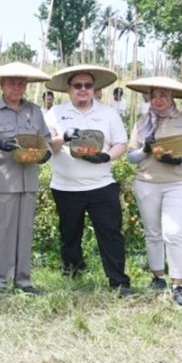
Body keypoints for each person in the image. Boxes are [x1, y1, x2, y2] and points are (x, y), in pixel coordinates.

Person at [44, 64, 132, 295]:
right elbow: (48, 146)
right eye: (77, 85)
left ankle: (118, 281)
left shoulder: (108, 113)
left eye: (88, 85)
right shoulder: (55, 113)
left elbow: (121, 143)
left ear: (94, 89)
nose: (83, 89)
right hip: (65, 186)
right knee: (69, 232)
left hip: (101, 184)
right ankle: (73, 271)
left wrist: (107, 156)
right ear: (69, 89)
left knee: (110, 232)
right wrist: (63, 137)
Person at [125, 77, 182, 308]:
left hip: (177, 183)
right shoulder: (141, 124)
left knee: (173, 233)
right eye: (154, 95)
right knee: (153, 233)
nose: (158, 100)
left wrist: (179, 160)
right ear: (148, 97)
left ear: (172, 98)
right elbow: (131, 157)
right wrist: (145, 149)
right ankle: (158, 277)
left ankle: (179, 285)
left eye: (164, 95)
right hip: (147, 183)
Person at [0, 62, 51, 294]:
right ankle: (0, 281)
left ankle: (23, 281)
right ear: (2, 85)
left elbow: (45, 139)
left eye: (21, 83)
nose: (17, 87)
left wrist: (45, 153)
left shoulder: (35, 111)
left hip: (29, 181)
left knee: (25, 232)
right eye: (12, 83)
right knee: (2, 232)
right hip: (3, 181)